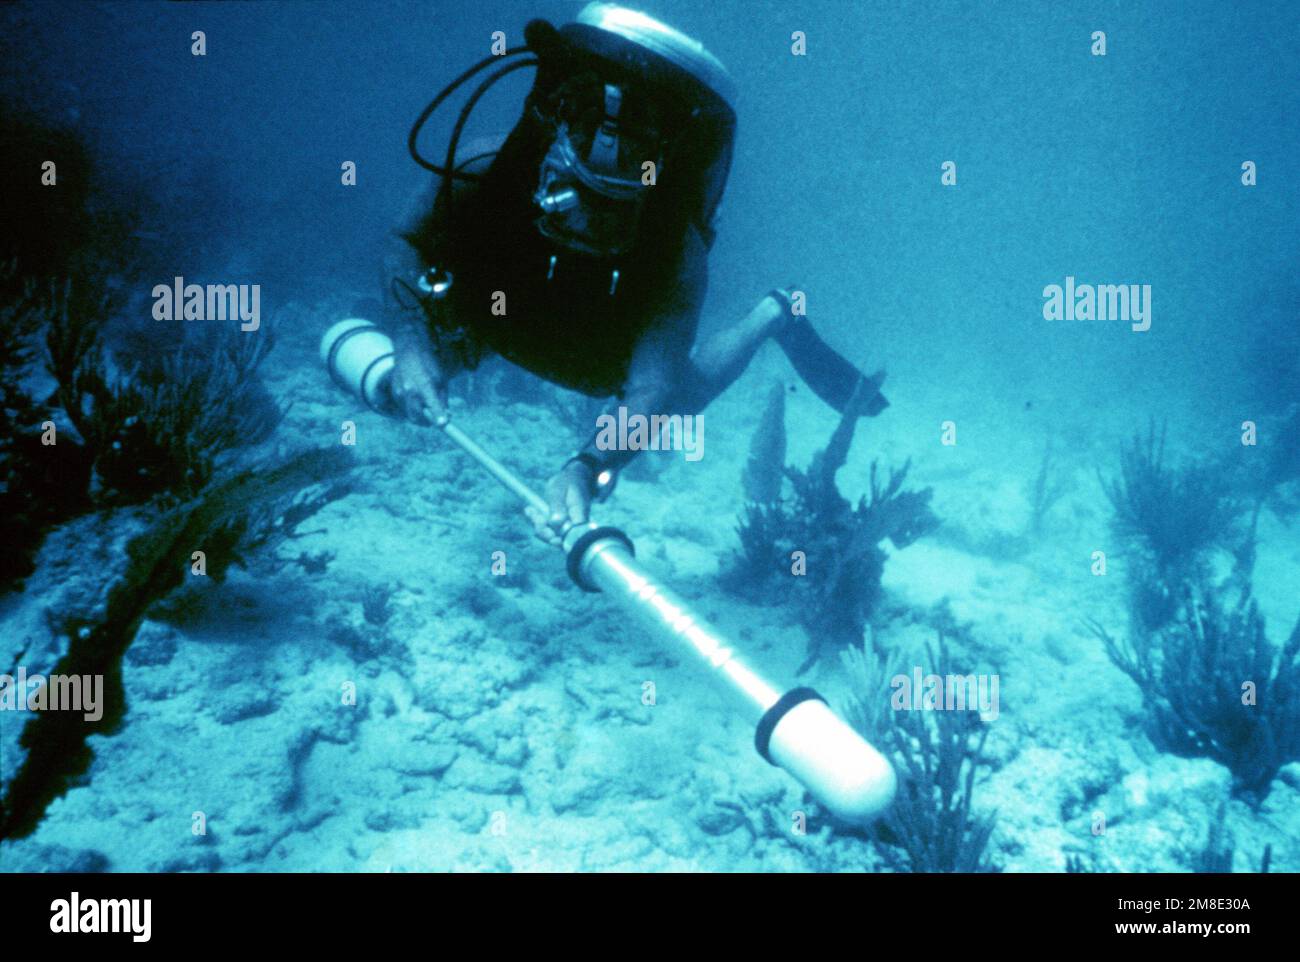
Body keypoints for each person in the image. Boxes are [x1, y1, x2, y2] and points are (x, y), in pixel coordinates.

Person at [380, 3, 886, 544]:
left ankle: (772, 313)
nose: (582, 224)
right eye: (566, 196)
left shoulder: (674, 251)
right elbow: (406, 239)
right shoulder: (485, 168)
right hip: (497, 310)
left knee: (681, 399)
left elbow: (654, 386)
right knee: (426, 358)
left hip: (604, 352)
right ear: (548, 161)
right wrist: (411, 344)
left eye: (611, 208)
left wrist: (589, 465)